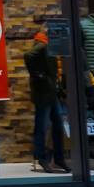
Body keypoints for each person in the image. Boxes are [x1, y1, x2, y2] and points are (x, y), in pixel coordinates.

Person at [23, 31, 68, 173]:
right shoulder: (42, 45)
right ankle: (43, 158)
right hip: (43, 93)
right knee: (43, 126)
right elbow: (28, 55)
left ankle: (58, 159)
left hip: (50, 93)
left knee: (56, 126)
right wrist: (38, 75)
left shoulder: (47, 47)